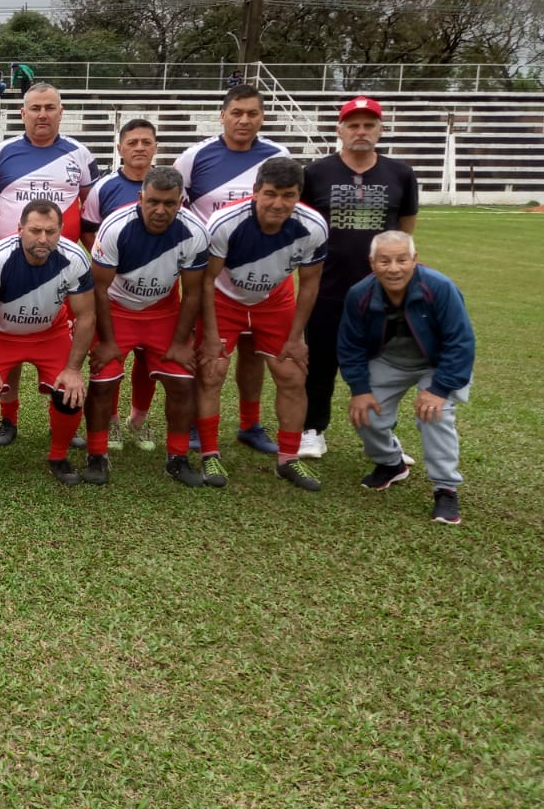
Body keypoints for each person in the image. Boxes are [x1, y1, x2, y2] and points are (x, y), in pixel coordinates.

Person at [297, 96, 419, 458]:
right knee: (320, 361)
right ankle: (312, 428)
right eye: (353, 125)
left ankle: (382, 436)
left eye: (369, 125)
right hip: (327, 286)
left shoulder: (401, 174)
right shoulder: (316, 173)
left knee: (382, 366)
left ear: (380, 129)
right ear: (340, 130)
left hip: (382, 291)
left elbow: (406, 232)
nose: (361, 131)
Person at [197, 157, 327, 491]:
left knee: (292, 374)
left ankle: (288, 459)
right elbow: (207, 280)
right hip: (225, 298)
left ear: (299, 195)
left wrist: (297, 337)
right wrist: (211, 335)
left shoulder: (312, 226)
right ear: (255, 192)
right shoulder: (225, 221)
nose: (279, 203)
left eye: (288, 195)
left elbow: (310, 283)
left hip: (275, 300)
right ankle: (209, 452)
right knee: (212, 371)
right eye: (270, 194)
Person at [0, 83, 98, 446]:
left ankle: (63, 418)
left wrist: (65, 244)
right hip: (10, 265)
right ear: (22, 113)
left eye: (50, 107)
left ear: (61, 112)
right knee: (8, 337)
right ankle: (8, 419)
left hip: (61, 268)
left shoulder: (79, 153)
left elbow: (88, 207)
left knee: (60, 337)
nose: (42, 114)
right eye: (35, 108)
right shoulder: (1, 153)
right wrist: (11, 234)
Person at [174, 84, 290, 456]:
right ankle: (195, 423)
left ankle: (249, 424)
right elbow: (177, 210)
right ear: (222, 115)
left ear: (262, 117)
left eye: (252, 113)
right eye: (236, 113)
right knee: (207, 356)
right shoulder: (194, 157)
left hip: (263, 277)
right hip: (213, 281)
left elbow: (286, 209)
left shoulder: (278, 156)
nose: (244, 120)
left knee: (253, 353)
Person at [84, 166, 209, 487]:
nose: (160, 210)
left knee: (182, 383)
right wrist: (108, 341)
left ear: (181, 202)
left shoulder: (195, 231)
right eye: (153, 201)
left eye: (169, 203)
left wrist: (182, 343)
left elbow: (193, 292)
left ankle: (177, 458)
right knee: (102, 382)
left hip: (163, 312)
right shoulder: (115, 226)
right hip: (117, 310)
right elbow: (98, 288)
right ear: (140, 198)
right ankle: (97, 455)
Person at [338, 231, 473, 525]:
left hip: (436, 363)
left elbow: (460, 342)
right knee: (366, 414)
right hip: (390, 360)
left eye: (402, 259)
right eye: (384, 261)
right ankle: (391, 464)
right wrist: (359, 389)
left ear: (415, 259)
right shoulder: (359, 294)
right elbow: (350, 345)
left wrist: (438, 390)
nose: (394, 268)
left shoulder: (440, 288)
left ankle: (445, 488)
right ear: (371, 263)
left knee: (434, 415)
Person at [0, 199, 96, 484]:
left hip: (50, 334)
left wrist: (73, 370)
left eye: (51, 232)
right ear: (20, 229)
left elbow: (86, 317)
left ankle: (58, 456)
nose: (43, 239)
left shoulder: (75, 258)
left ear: (61, 231)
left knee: (70, 393)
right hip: (1, 333)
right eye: (35, 231)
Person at [81, 118, 163, 451]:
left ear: (156, 146)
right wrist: (108, 263)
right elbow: (89, 229)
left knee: (149, 359)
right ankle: (111, 421)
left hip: (159, 295)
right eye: (133, 143)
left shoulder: (172, 186)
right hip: (114, 291)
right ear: (120, 149)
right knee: (111, 356)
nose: (140, 148)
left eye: (146, 142)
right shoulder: (104, 187)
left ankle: (138, 420)